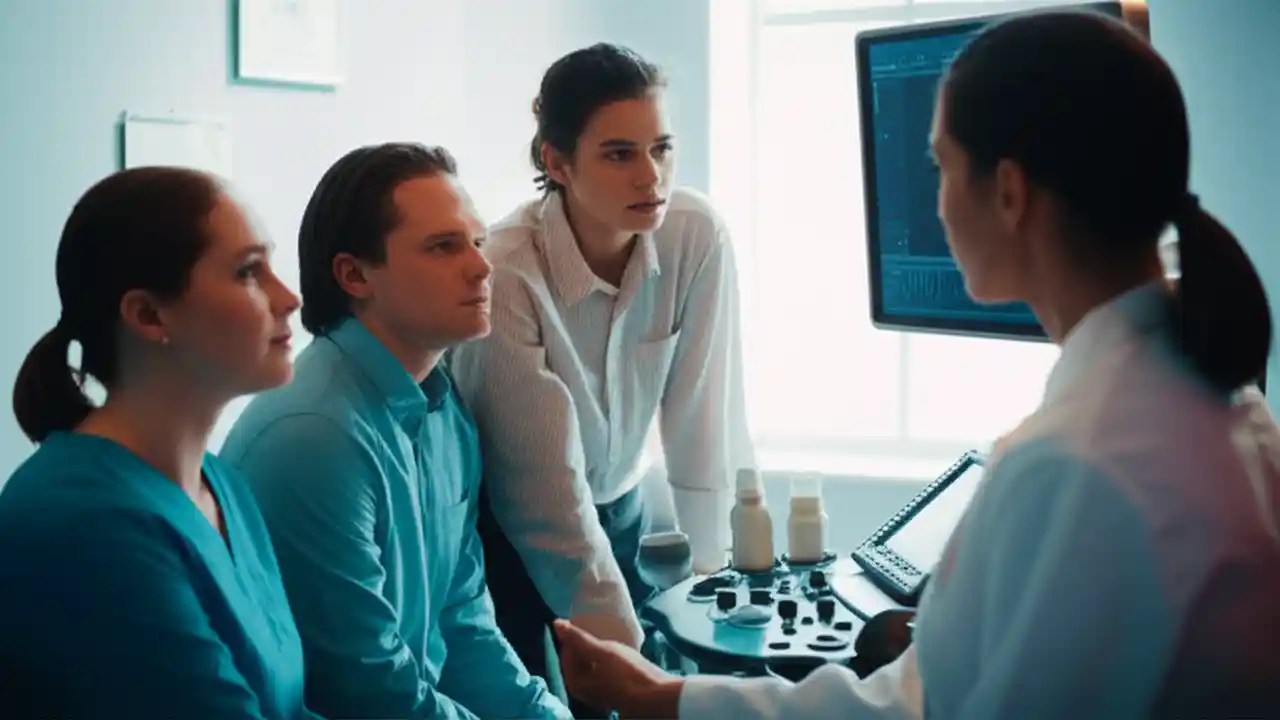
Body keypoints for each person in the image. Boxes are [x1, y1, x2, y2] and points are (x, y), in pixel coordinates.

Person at [550, 10, 1280, 718]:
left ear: (1008, 193)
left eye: (939, 166)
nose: (931, 203)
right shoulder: (1230, 400)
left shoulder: (1067, 460)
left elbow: (921, 709)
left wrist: (658, 698)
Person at [220, 143, 570, 720]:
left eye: (477, 242)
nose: (482, 266)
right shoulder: (313, 434)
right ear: (355, 275)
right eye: (443, 247)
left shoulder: (443, 406)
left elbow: (464, 622)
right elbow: (365, 688)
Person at [450, 42, 755, 686]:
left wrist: (715, 589)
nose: (651, 177)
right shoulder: (506, 274)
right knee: (557, 696)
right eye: (620, 154)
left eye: (662, 148)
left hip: (620, 510)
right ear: (556, 161)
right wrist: (640, 668)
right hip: (510, 531)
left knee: (661, 677)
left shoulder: (695, 235)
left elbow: (702, 420)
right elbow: (542, 495)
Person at [0, 167, 310, 718]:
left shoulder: (225, 487)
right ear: (147, 314)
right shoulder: (83, 521)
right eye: (248, 272)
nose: (289, 297)